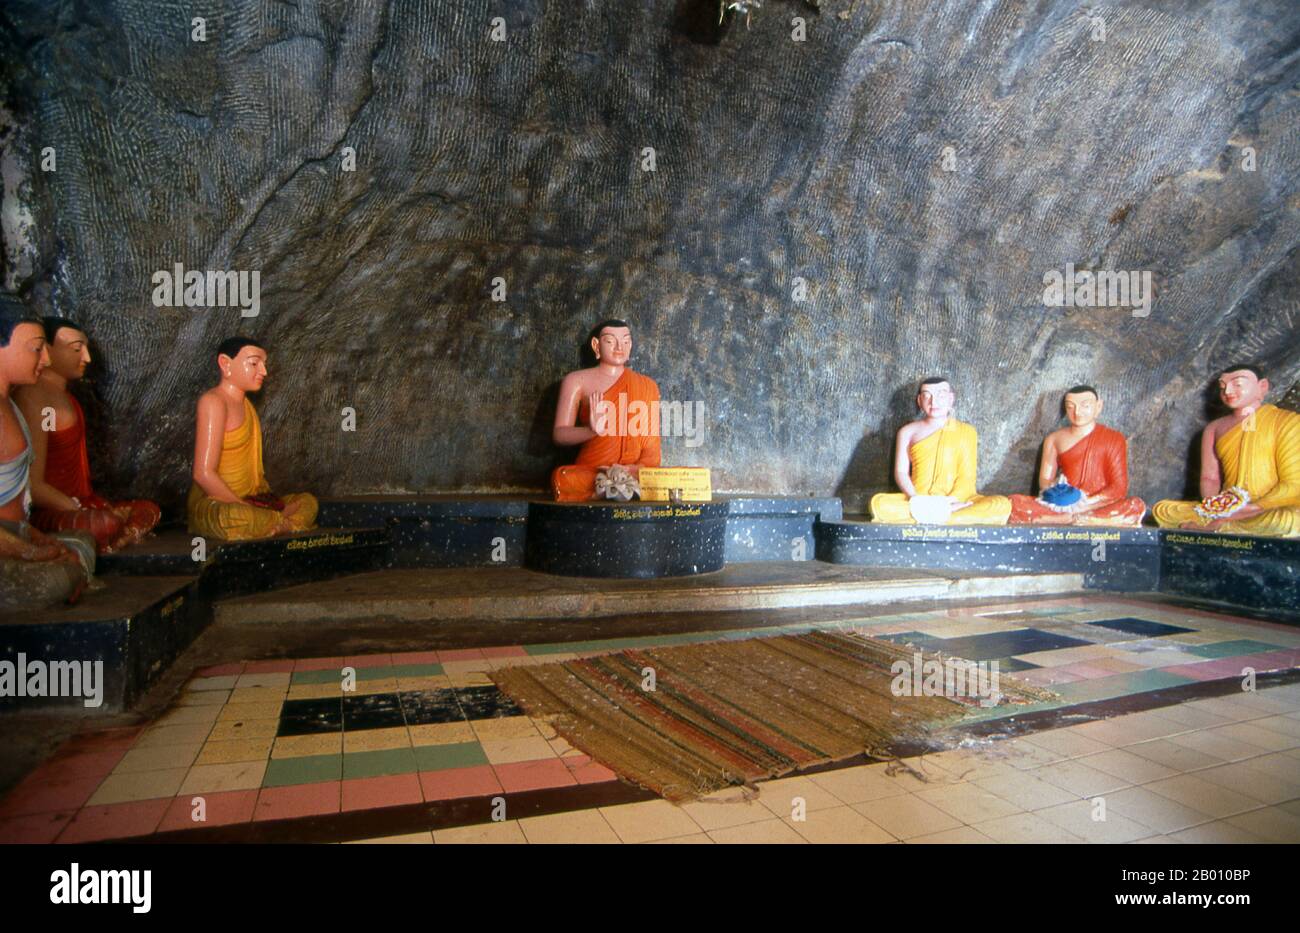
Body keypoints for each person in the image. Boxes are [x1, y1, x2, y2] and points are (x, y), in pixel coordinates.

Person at [16, 317, 161, 552]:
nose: (87, 358)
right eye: (76, 349)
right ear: (47, 349)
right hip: (54, 508)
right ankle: (114, 536)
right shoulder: (37, 398)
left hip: (83, 502)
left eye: (85, 348)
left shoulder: (67, 398)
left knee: (148, 509)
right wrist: (77, 509)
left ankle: (116, 536)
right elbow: (35, 483)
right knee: (103, 523)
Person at [0, 299, 93, 611]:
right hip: (7, 544)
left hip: (20, 532)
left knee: (81, 545)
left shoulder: (11, 405)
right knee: (59, 577)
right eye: (36, 347)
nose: (46, 358)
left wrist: (38, 540)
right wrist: (28, 551)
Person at [187, 336, 318, 540]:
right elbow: (203, 474)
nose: (264, 371)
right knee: (237, 517)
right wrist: (242, 505)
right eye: (254, 363)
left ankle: (274, 522)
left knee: (308, 502)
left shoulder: (247, 407)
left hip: (253, 500)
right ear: (225, 364)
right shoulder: (213, 402)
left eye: (264, 364)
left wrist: (258, 506)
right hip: (218, 503)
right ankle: (281, 522)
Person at [1153, 364, 1300, 536]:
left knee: (1286, 519)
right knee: (1163, 510)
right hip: (1227, 507)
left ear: (1262, 387)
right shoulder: (1214, 428)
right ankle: (1220, 524)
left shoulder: (1287, 422)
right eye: (1223, 386)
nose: (1228, 391)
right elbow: (1210, 478)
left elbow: (1294, 484)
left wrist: (1254, 507)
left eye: (1237, 384)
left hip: (1266, 508)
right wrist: (1214, 507)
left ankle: (1219, 527)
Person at [870, 377, 1011, 525]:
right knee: (880, 504)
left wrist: (950, 502)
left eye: (941, 395)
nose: (934, 402)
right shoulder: (908, 431)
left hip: (957, 501)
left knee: (1000, 505)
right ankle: (944, 518)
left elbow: (967, 478)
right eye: (927, 395)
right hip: (919, 499)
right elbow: (901, 472)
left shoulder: (967, 431)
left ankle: (931, 517)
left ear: (951, 399)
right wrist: (916, 498)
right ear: (919, 401)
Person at [551, 319, 662, 501]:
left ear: (631, 345)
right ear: (596, 345)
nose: (619, 347)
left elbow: (652, 450)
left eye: (625, 341)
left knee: (669, 479)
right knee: (563, 477)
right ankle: (613, 489)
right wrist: (590, 431)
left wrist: (637, 469)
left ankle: (620, 486)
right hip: (593, 472)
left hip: (633, 473)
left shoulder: (647, 386)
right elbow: (559, 435)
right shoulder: (576, 381)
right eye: (610, 341)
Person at [1008, 385, 1146, 526]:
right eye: (1070, 407)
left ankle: (1073, 519)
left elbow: (1119, 487)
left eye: (1085, 406)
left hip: (1096, 505)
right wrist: (1056, 489)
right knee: (1014, 503)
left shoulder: (1114, 438)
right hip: (1062, 504)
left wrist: (1086, 503)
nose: (1077, 412)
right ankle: (1081, 519)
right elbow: (1044, 481)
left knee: (1135, 505)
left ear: (1098, 407)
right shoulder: (1054, 439)